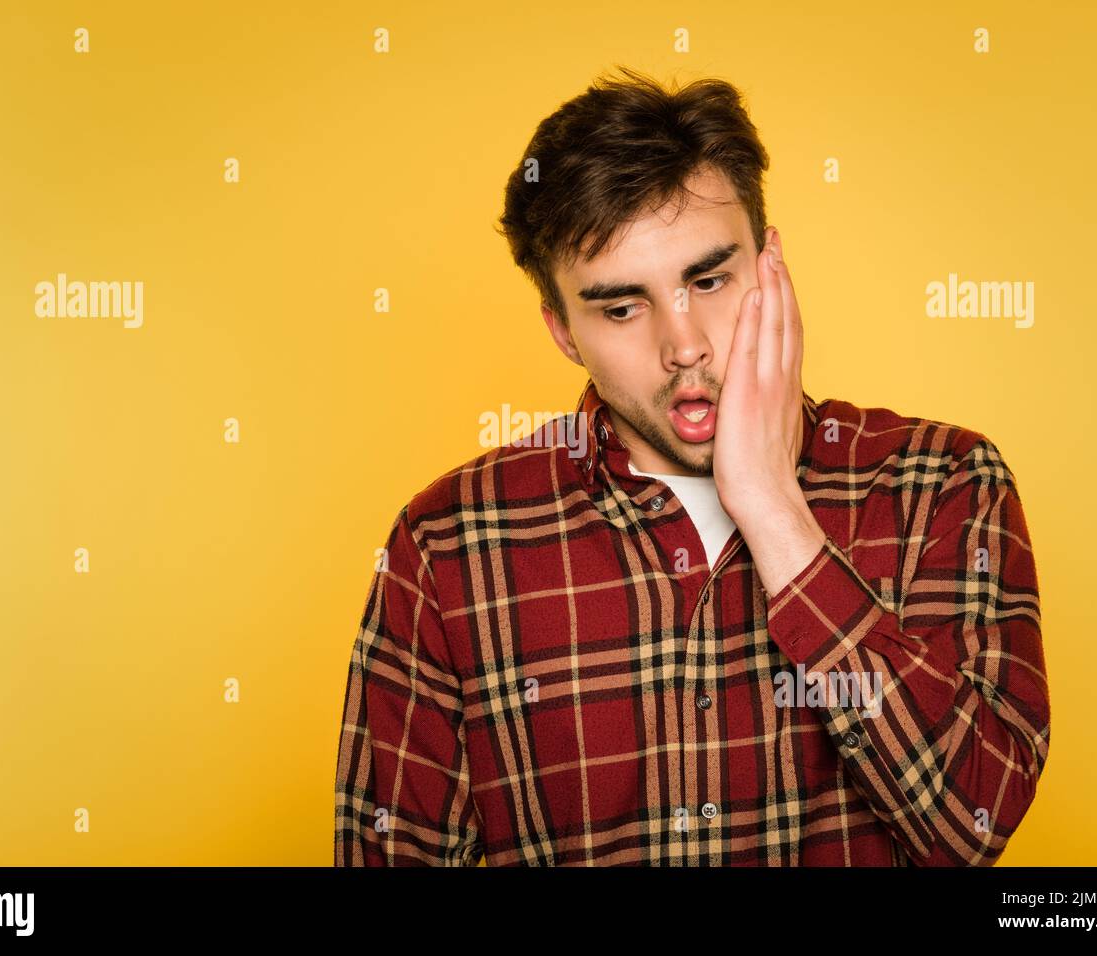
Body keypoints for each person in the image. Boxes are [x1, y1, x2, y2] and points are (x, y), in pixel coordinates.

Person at [334, 66, 1049, 866]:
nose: (685, 346)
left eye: (710, 280)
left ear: (770, 265)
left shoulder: (942, 484)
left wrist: (775, 511)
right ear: (563, 331)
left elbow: (970, 824)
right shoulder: (446, 545)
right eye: (621, 307)